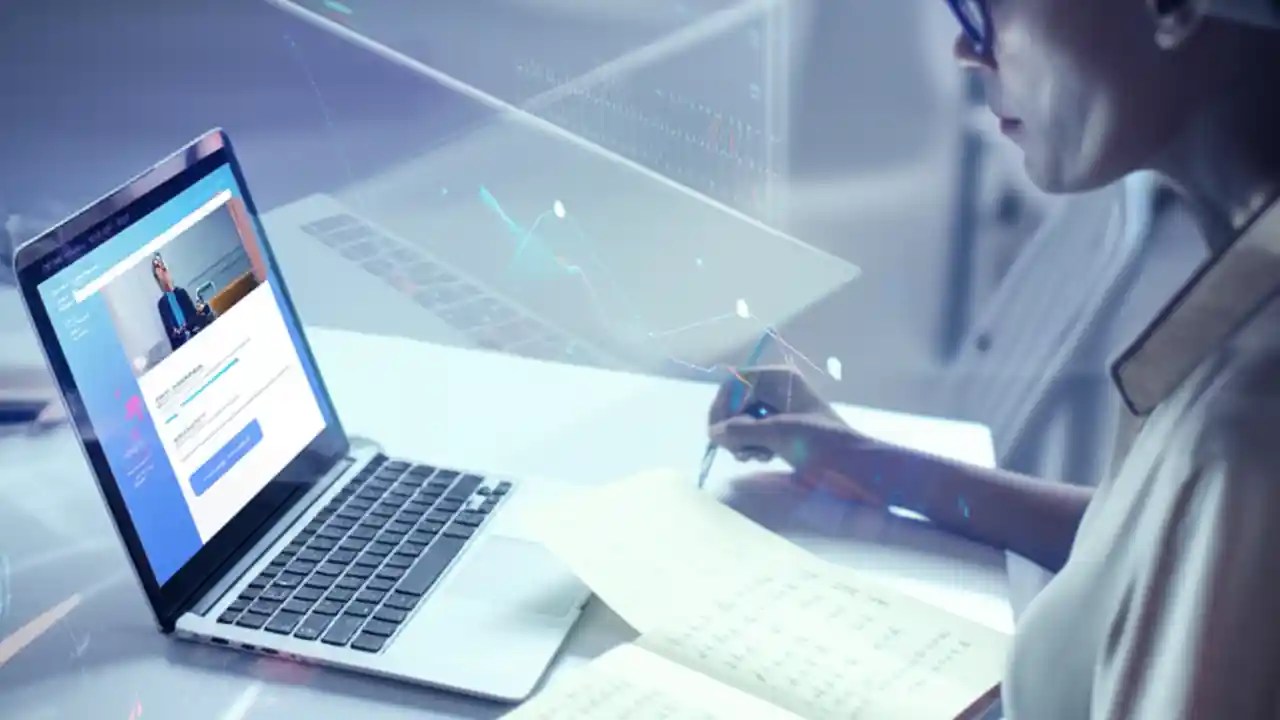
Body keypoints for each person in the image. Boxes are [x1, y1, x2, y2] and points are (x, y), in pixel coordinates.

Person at [707, 0, 1280, 717]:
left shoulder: (1247, 430)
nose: (966, 50)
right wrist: (867, 462)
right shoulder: (1248, 302)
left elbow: (1214, 503)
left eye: (986, 8)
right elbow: (1146, 551)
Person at [152, 253, 211, 351]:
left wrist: (200, 312)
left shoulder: (181, 293)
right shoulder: (162, 304)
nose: (162, 273)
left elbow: (194, 317)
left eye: (163, 269)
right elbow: (171, 333)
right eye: (158, 269)